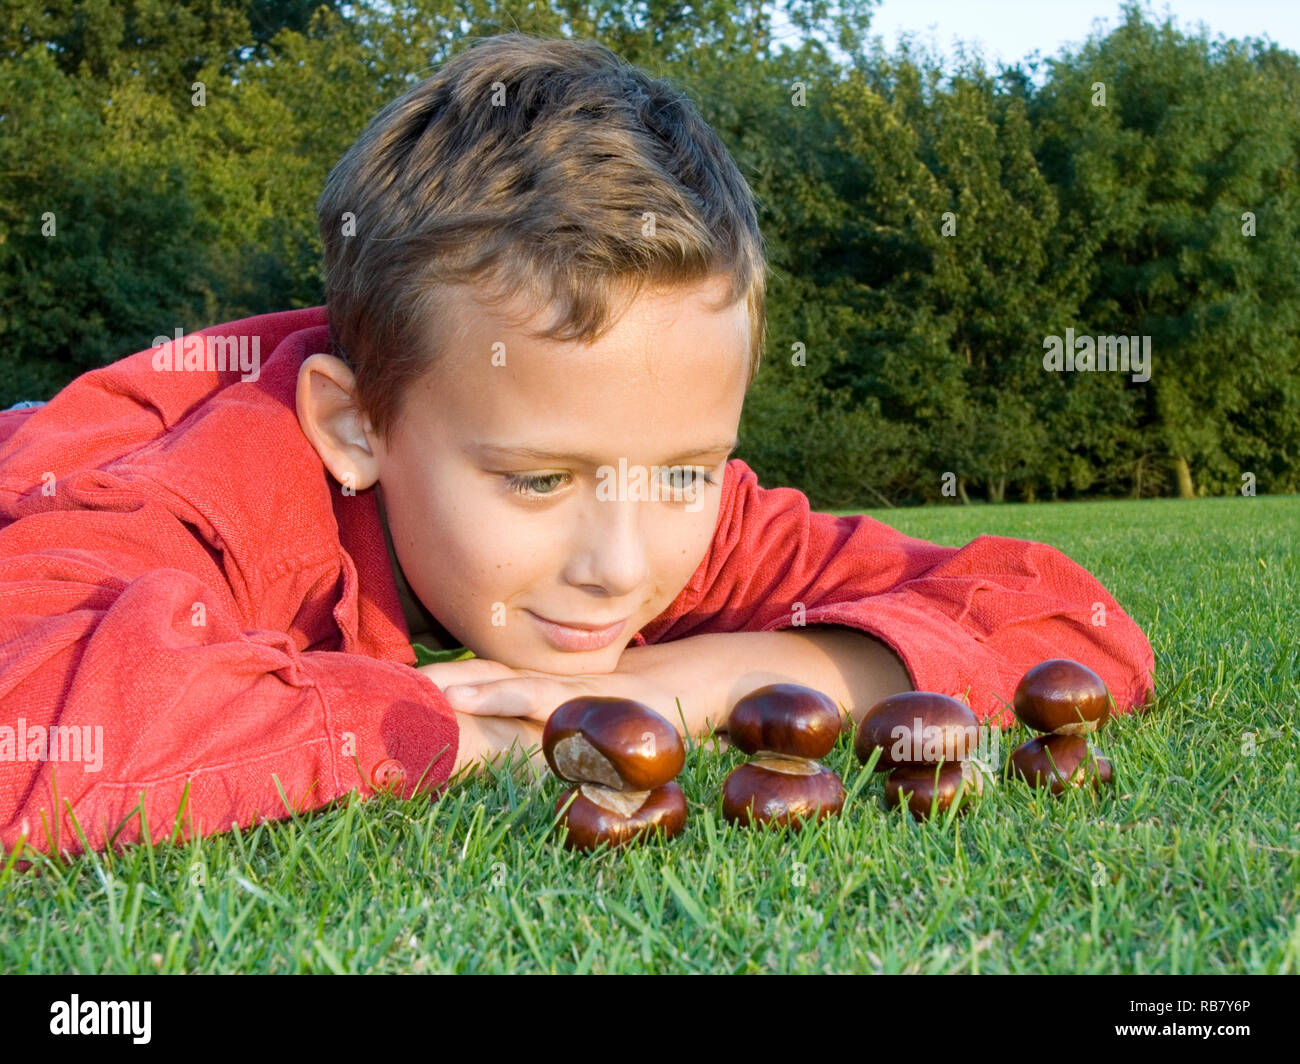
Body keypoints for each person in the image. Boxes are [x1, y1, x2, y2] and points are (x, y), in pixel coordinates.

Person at [0, 34, 1153, 861]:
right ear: (355, 426)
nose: (620, 558)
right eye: (540, 479)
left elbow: (1065, 621)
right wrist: (438, 722)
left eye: (686, 471)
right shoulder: (204, 483)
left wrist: (680, 680)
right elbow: (35, 731)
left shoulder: (663, 503)